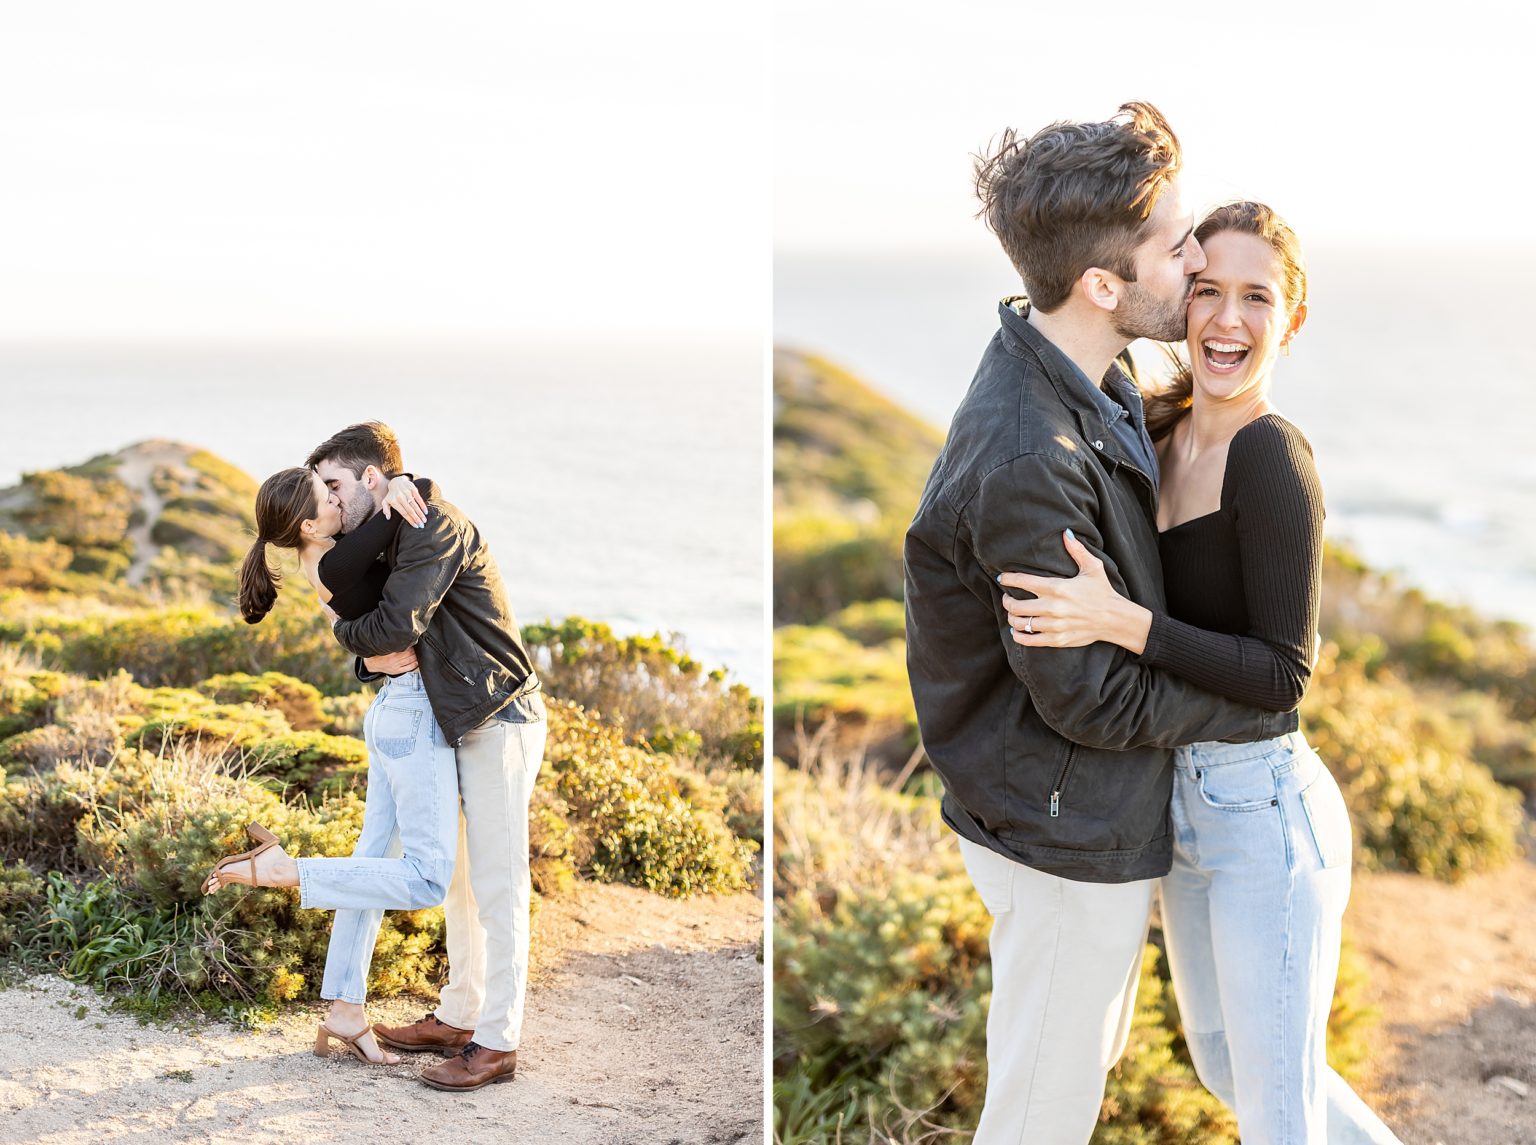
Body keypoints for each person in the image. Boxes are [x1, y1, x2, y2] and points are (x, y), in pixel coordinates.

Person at [903, 101, 1279, 1144]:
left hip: (1076, 810)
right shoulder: (1032, 457)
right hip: (1060, 828)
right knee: (1041, 1115)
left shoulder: (1084, 372)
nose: (1199, 260)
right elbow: (1091, 699)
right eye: (1178, 244)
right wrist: (1255, 699)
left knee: (1066, 1082)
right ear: (1103, 285)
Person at [998, 202, 1402, 1144]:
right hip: (1181, 803)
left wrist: (1125, 624)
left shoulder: (1271, 455)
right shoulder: (1159, 426)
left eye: (1256, 297)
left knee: (1277, 1110)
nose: (1227, 319)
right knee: (1231, 1068)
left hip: (1266, 813)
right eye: (1209, 289)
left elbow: (1284, 672)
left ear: (1292, 319)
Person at [308, 422, 545, 1094]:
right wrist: (366, 655)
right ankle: (460, 1013)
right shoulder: (388, 529)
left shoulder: (432, 523)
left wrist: (348, 636)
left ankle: (498, 1041)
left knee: (498, 883)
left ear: (372, 477)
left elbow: (395, 626)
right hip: (455, 720)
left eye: (335, 484)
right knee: (461, 883)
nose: (331, 499)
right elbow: (377, 634)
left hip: (498, 716)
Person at [208, 465, 439, 1069]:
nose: (338, 498)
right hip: (411, 710)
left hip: (393, 708)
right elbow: (413, 499)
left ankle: (344, 1009)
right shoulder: (333, 565)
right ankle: (284, 870)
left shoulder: (327, 560)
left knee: (372, 863)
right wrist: (402, 481)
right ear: (309, 526)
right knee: (427, 879)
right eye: (327, 494)